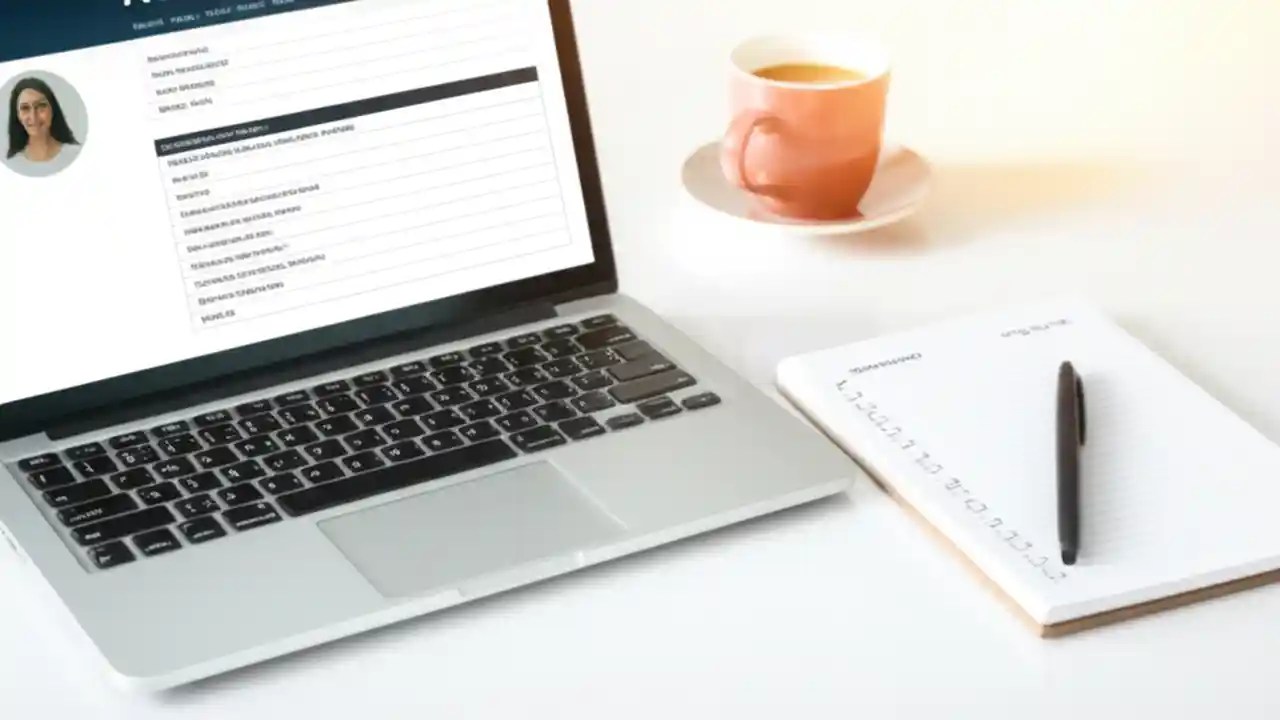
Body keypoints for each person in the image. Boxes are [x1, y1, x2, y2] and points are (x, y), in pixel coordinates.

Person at [6, 77, 81, 176]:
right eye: (25, 108)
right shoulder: (11, 165)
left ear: (53, 110)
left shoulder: (75, 154)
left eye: (41, 106)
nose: (33, 116)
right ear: (17, 115)